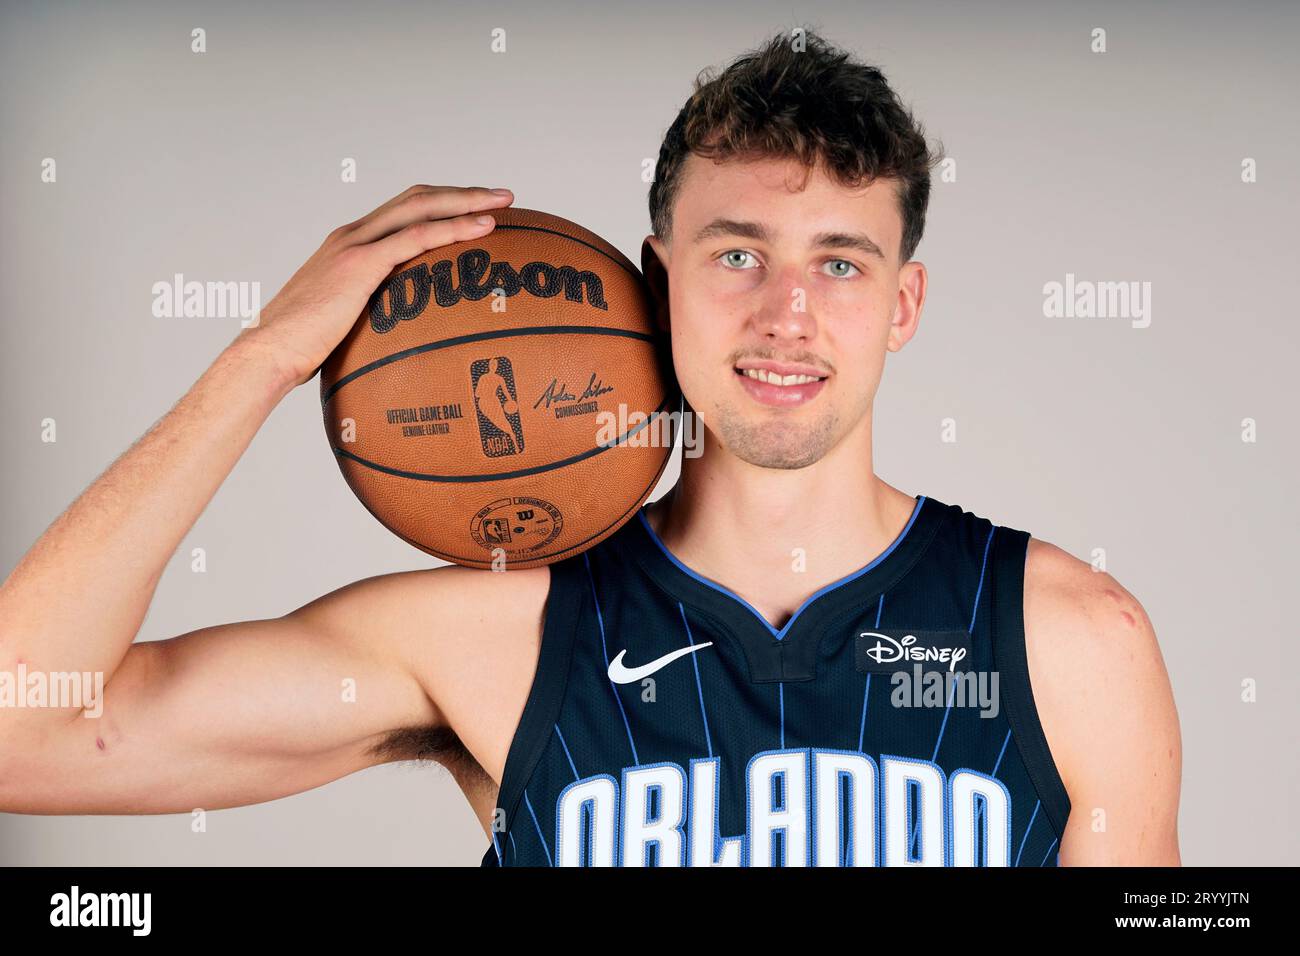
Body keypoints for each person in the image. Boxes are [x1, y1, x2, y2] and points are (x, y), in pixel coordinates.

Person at [0, 29, 1180, 866]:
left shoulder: (1071, 641)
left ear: (902, 303)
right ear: (657, 279)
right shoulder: (495, 637)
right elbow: (26, 734)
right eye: (736, 254)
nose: (787, 314)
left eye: (839, 261)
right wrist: (262, 358)